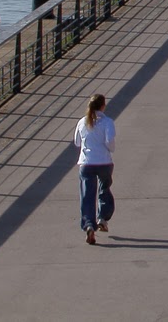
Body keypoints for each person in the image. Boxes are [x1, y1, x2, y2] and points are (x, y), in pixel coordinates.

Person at [74, 93, 116, 245]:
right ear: (103, 106)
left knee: (87, 194)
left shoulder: (82, 122)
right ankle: (102, 218)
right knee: (104, 188)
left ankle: (89, 225)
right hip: (104, 162)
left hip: (86, 163)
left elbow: (77, 143)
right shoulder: (107, 122)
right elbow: (110, 143)